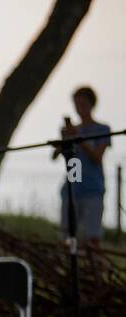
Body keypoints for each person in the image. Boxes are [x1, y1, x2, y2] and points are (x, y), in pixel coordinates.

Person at [54, 86, 111, 253]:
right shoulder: (73, 130)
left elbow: (97, 157)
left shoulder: (101, 129)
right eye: (77, 105)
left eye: (83, 105)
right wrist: (65, 140)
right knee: (68, 236)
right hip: (72, 185)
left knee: (92, 236)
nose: (80, 109)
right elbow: (56, 155)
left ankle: (93, 270)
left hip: (92, 188)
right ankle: (70, 262)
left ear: (92, 105)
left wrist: (78, 138)